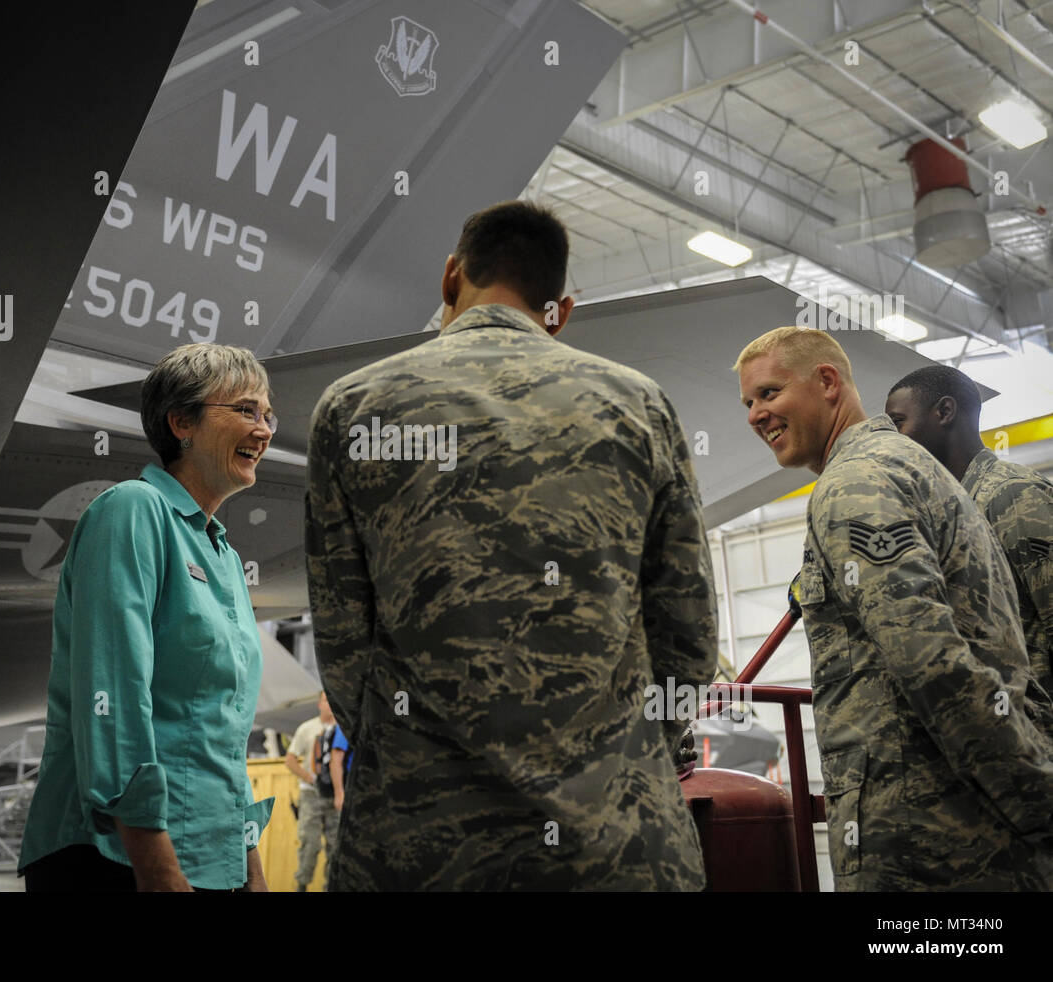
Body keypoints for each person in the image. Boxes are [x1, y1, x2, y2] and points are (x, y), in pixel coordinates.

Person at [304, 200, 717, 891]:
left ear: (449, 277)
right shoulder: (639, 404)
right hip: (614, 845)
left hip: (420, 847)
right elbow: (687, 630)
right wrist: (651, 755)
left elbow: (345, 645)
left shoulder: (353, 407)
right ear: (562, 308)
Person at [734, 326, 1053, 890]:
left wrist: (1034, 797)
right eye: (750, 402)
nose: (756, 415)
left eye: (770, 393)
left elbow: (930, 658)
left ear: (827, 382)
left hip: (928, 842)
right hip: (963, 830)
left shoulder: (856, 481)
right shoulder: (907, 464)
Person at [18, 343, 278, 892]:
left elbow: (222, 732)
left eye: (267, 414)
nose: (264, 429)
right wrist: (155, 865)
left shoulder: (223, 554)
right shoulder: (132, 510)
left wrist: (249, 864)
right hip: (119, 857)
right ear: (181, 421)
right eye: (247, 411)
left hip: (208, 858)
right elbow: (112, 696)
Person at [885, 364, 1053, 700]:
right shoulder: (950, 509)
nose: (891, 441)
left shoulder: (1011, 496)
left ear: (944, 411)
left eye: (897, 424)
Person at [284, 692, 339, 891]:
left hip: (335, 796)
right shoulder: (307, 728)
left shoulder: (343, 729)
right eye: (326, 699)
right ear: (319, 704)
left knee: (336, 847)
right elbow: (290, 760)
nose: (330, 704)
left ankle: (330, 887)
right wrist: (310, 778)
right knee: (310, 844)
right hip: (311, 795)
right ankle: (302, 886)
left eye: (333, 700)